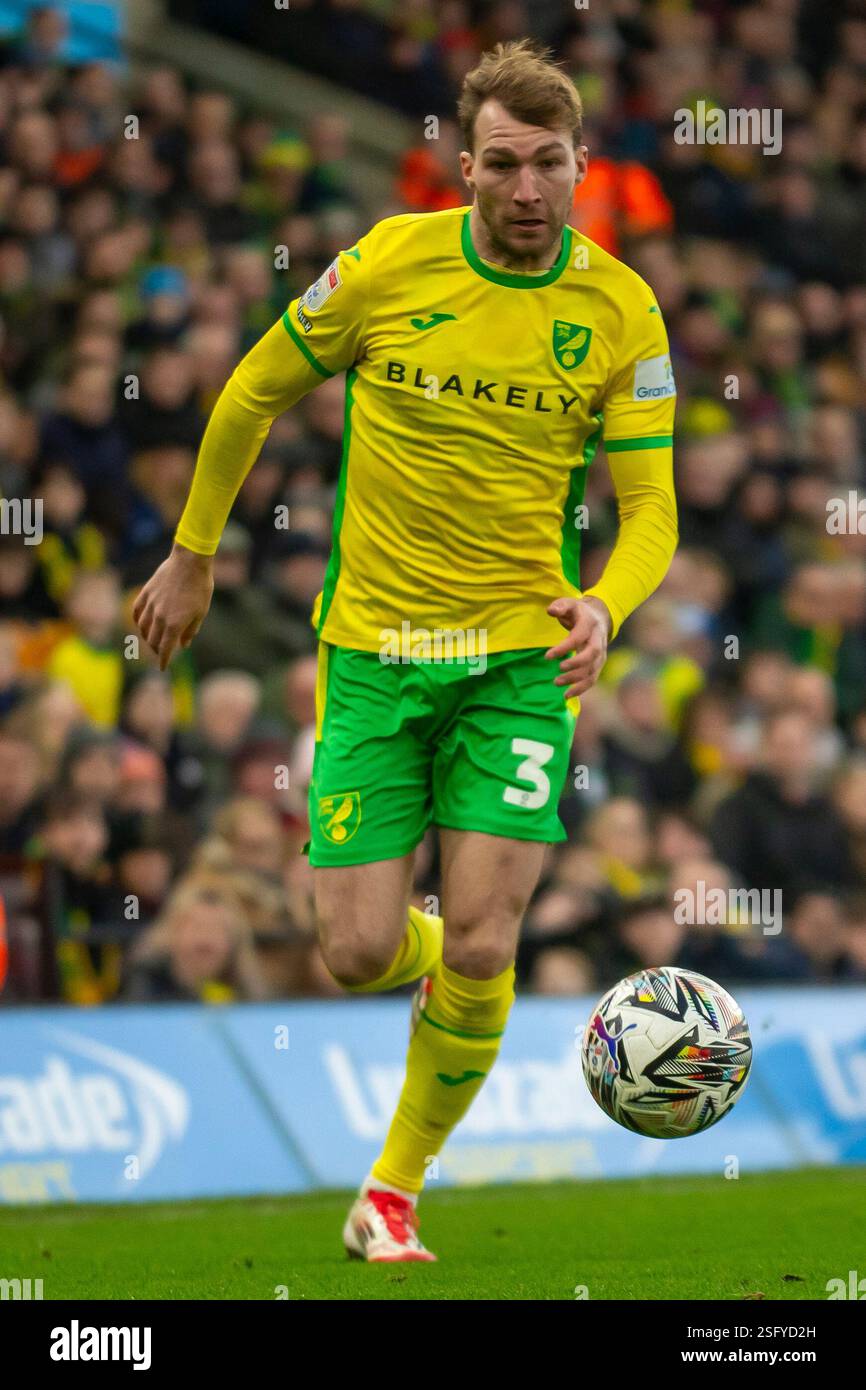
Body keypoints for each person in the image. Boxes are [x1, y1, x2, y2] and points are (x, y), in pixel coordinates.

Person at [133, 40, 678, 1262]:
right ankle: (442, 969)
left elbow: (650, 512)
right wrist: (194, 551)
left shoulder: (620, 309)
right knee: (358, 951)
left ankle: (390, 1189)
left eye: (549, 164)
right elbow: (252, 389)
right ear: (463, 164)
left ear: (581, 166)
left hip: (519, 661)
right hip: (372, 651)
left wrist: (607, 606)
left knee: (488, 934)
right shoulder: (386, 262)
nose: (526, 188)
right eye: (501, 163)